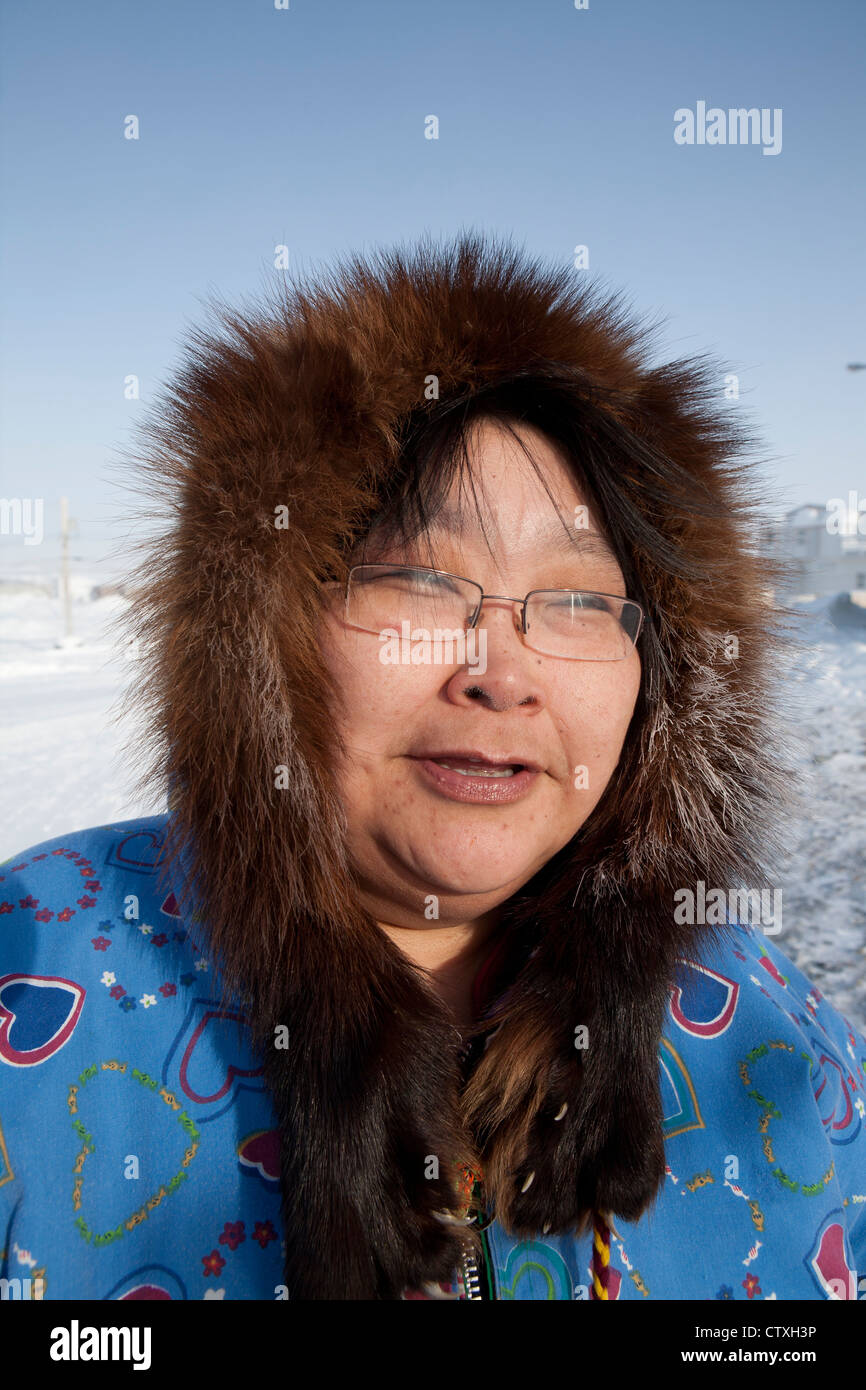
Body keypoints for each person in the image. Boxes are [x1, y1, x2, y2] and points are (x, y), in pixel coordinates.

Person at [1, 231, 864, 1303]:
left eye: (583, 600)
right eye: (415, 579)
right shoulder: (31, 968)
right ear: (260, 639)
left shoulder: (770, 1032)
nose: (499, 675)